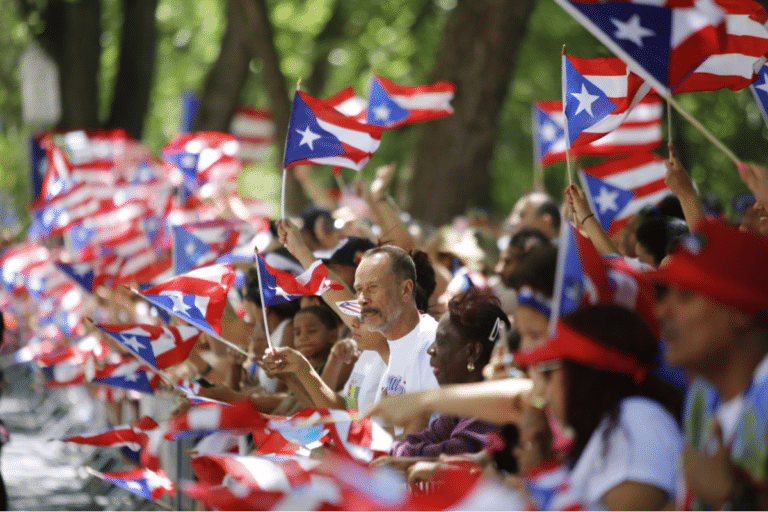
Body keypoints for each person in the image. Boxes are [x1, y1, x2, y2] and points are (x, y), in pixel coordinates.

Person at [650, 218, 768, 510]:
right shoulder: (703, 395)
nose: (661, 310)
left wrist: (734, 498)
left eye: (686, 295)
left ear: (740, 311)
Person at [388, 289, 508, 458]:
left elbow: (456, 452)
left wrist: (403, 451)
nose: (431, 349)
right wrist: (402, 449)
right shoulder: (461, 406)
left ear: (473, 351)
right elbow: (422, 439)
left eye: (442, 341)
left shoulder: (492, 406)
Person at [354, 245, 439, 409]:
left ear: (405, 290)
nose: (362, 299)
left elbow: (422, 431)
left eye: (373, 287)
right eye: (359, 289)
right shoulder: (400, 343)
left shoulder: (429, 346)